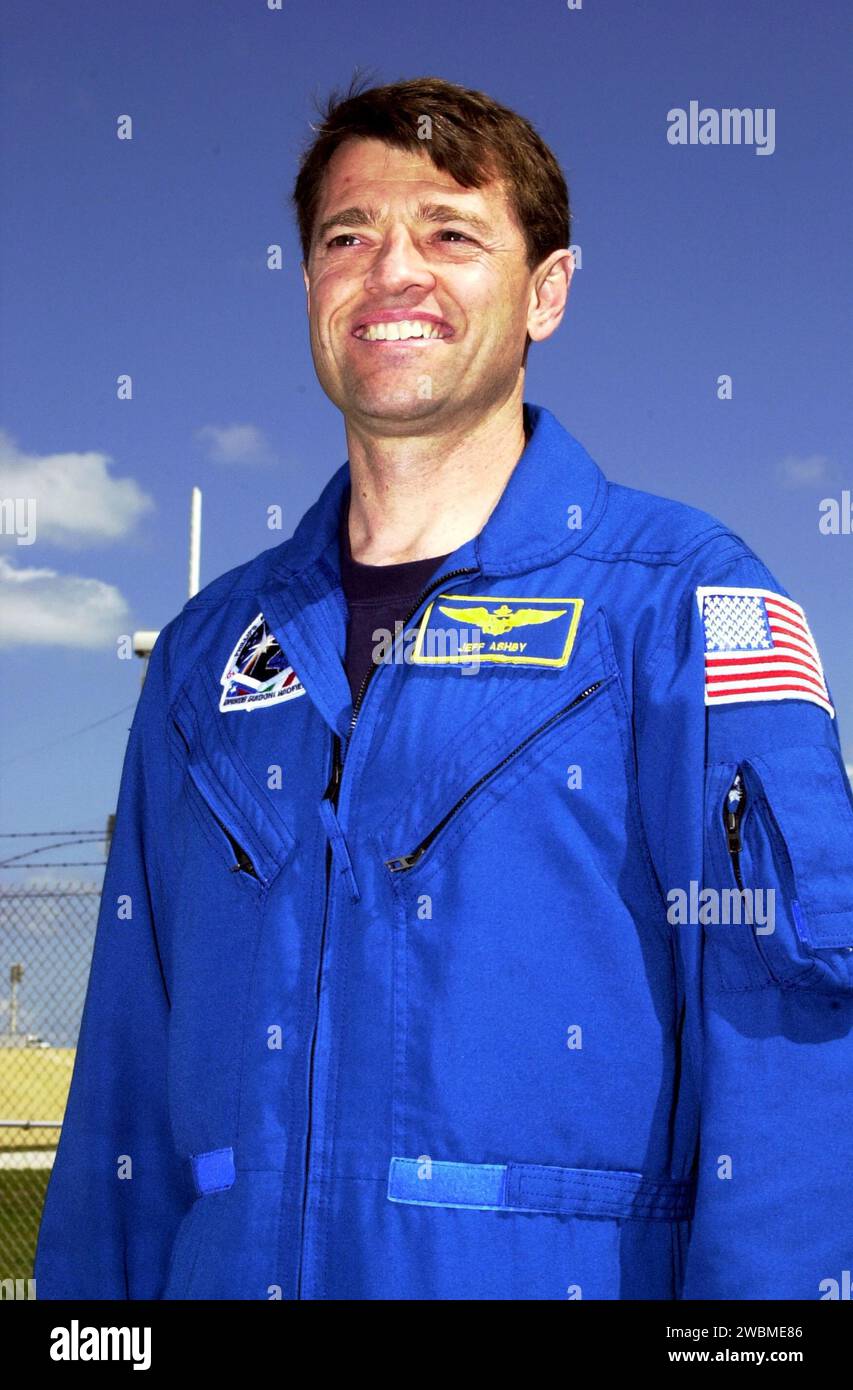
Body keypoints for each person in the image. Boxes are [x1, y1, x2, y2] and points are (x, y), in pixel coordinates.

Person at [34, 75, 853, 1301]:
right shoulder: (207, 653)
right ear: (310, 286)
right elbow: (121, 1092)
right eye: (347, 237)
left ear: (547, 292)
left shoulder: (682, 604)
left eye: (451, 233)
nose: (390, 271)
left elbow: (792, 1061)